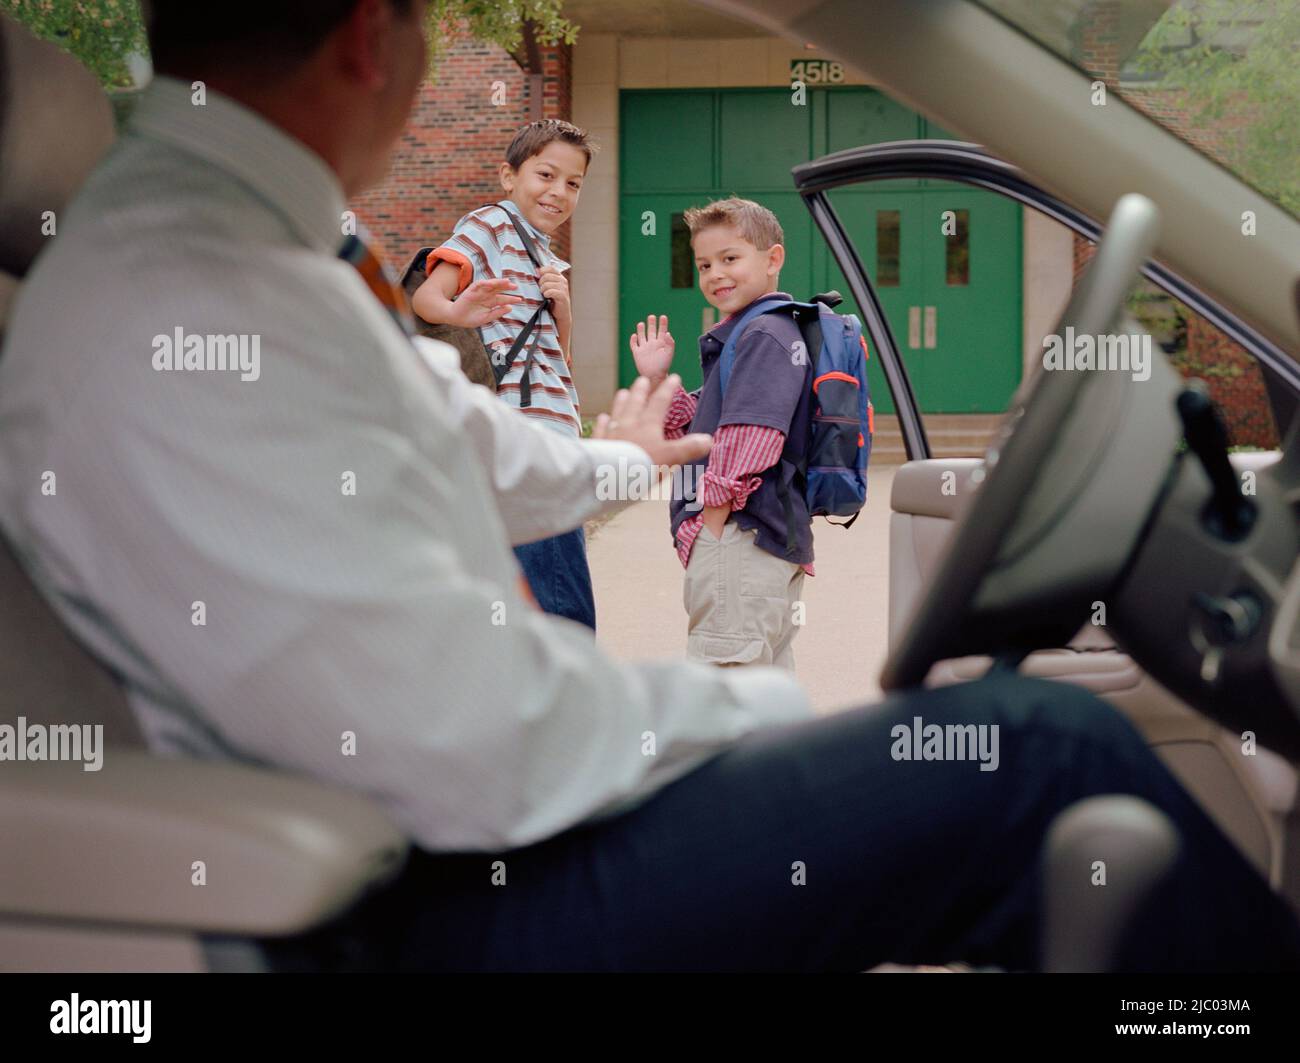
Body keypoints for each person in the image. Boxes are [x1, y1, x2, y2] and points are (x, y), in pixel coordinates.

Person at [2, 0, 1298, 971]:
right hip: (441, 900)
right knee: (1044, 753)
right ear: (366, 41)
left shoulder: (227, 261)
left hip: (448, 845)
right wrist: (762, 713)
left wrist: (640, 453)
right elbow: (454, 737)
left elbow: (473, 447)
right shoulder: (191, 293)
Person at [411, 119, 599, 631]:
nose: (558, 191)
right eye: (545, 174)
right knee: (560, 603)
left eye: (573, 183)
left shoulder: (547, 255)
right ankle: (566, 696)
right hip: (522, 435)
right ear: (508, 176)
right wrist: (459, 311)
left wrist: (562, 311)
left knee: (540, 590)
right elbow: (426, 298)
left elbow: (557, 357)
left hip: (553, 429)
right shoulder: (489, 225)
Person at [630, 198, 814, 669]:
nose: (715, 274)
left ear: (772, 259)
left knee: (726, 690)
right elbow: (695, 428)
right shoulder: (752, 333)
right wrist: (654, 379)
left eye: (730, 259)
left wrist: (709, 523)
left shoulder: (763, 336)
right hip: (761, 539)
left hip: (739, 536)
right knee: (763, 691)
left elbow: (752, 436)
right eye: (704, 264)